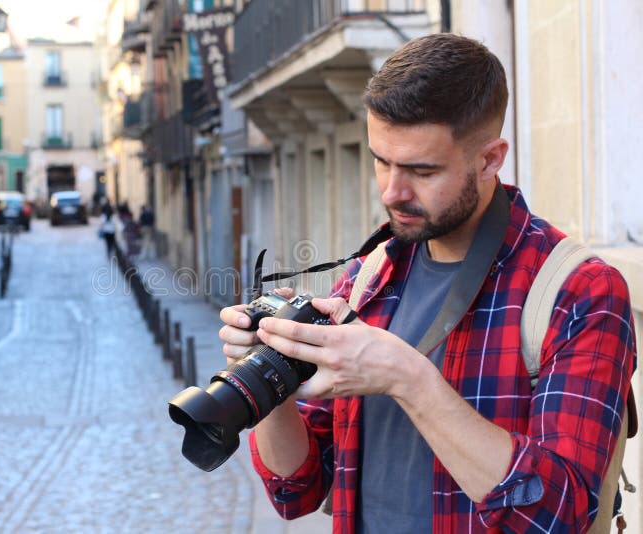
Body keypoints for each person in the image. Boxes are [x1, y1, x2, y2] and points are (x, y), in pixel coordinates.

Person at [218, 33, 636, 533]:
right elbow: (297, 489)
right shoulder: (368, 276)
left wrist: (408, 378)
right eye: (380, 160)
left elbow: (559, 513)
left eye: (421, 169)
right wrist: (272, 380)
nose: (393, 192)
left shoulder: (580, 291)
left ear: (489, 159)